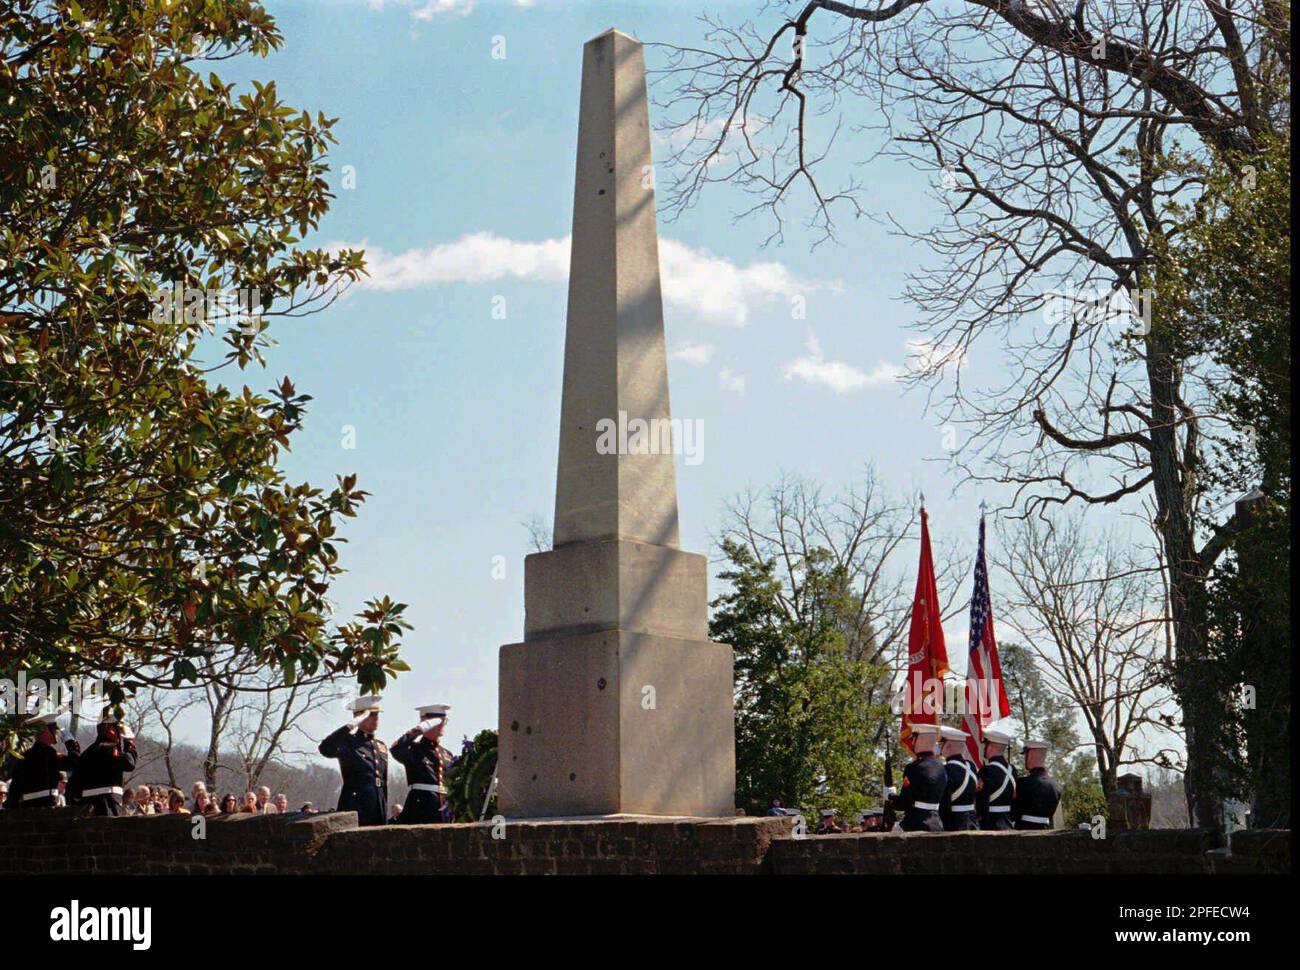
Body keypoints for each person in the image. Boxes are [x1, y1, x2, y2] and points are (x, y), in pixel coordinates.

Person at [317, 694, 389, 826]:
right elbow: (325, 748)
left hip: (378, 806)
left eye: (377, 715)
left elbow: (383, 783)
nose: (376, 719)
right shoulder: (348, 742)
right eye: (371, 715)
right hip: (356, 804)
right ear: (359, 717)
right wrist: (350, 726)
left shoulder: (381, 746)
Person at [67, 708, 138, 816]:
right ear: (108, 728)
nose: (119, 734)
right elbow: (129, 763)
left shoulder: (87, 753)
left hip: (88, 808)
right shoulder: (111, 748)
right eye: (118, 729)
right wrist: (130, 743)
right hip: (109, 806)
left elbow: (73, 787)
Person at [390, 703, 453, 824]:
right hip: (421, 808)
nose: (442, 724)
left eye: (444, 720)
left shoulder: (447, 754)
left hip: (443, 811)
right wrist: (420, 729)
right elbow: (395, 749)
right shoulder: (413, 750)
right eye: (437, 721)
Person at [5, 712, 80, 809]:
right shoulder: (50, 754)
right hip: (48, 805)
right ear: (44, 730)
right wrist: (71, 745)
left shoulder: (24, 757)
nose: (56, 732)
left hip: (27, 807)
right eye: (53, 728)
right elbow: (74, 764)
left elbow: (15, 789)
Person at [888, 723, 947, 832]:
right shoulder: (942, 767)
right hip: (937, 824)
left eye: (913, 739)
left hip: (916, 824)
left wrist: (891, 797)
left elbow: (904, 802)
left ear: (920, 740)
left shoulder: (913, 767)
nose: (912, 742)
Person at [938, 726, 980, 831]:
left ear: (948, 746)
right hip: (972, 821)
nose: (939, 746)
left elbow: (944, 803)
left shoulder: (946, 769)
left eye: (941, 743)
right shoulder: (972, 766)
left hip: (955, 822)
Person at [1014, 740, 1063, 830]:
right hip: (1046, 834)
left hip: (1023, 834)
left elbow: (1014, 812)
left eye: (1026, 755)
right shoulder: (1057, 786)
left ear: (1030, 756)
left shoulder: (1022, 783)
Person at [977, 728, 1018, 830]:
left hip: (990, 824)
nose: (984, 748)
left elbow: (981, 800)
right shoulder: (1013, 770)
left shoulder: (986, 771)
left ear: (990, 747)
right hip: (1008, 824)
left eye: (985, 745)